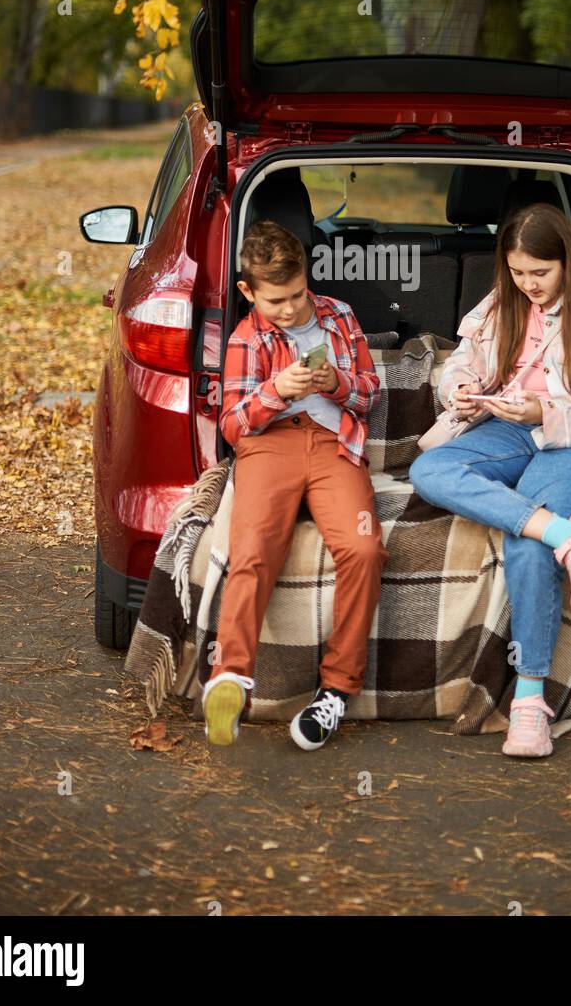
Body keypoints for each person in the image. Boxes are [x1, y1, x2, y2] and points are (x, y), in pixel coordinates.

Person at [409, 203, 571, 759]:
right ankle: (567, 535)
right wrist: (461, 390)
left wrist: (545, 413)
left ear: (567, 262)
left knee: (524, 541)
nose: (528, 284)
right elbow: (461, 365)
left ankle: (529, 703)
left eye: (539, 273)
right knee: (430, 469)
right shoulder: (501, 306)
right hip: (505, 431)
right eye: (517, 272)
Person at [202, 219, 388, 751]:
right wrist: (276, 390)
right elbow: (233, 427)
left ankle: (335, 691)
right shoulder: (246, 336)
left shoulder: (340, 317)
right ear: (248, 292)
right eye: (275, 301)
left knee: (364, 548)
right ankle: (230, 679)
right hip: (270, 446)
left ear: (309, 276)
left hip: (335, 447)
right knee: (253, 548)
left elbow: (371, 394)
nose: (288, 309)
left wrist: (340, 384)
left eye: (296, 294)